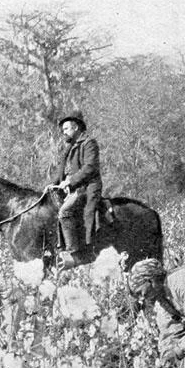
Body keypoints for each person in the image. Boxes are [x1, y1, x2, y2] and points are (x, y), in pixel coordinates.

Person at [49, 111, 102, 268]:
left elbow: (90, 167)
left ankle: (74, 254)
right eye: (63, 130)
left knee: (65, 211)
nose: (64, 132)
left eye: (66, 129)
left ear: (76, 127)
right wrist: (52, 184)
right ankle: (59, 248)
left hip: (86, 187)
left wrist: (70, 182)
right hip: (72, 189)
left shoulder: (89, 143)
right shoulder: (69, 148)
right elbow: (61, 171)